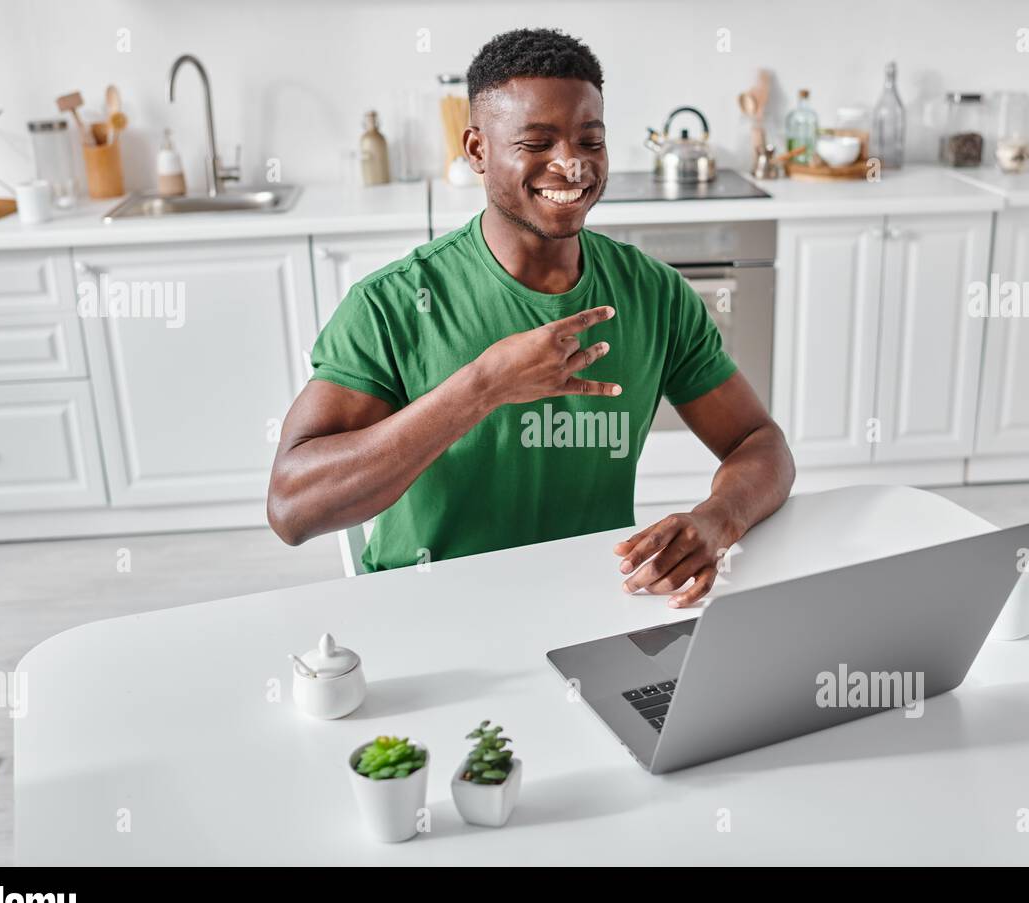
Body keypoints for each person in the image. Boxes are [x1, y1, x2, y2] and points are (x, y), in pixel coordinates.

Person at [267, 28, 794, 607]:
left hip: (591, 604)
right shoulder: (392, 304)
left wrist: (718, 519)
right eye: (537, 143)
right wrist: (482, 387)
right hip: (421, 611)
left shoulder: (654, 293)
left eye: (589, 141)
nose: (570, 165)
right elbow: (292, 510)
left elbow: (761, 444)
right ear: (476, 150)